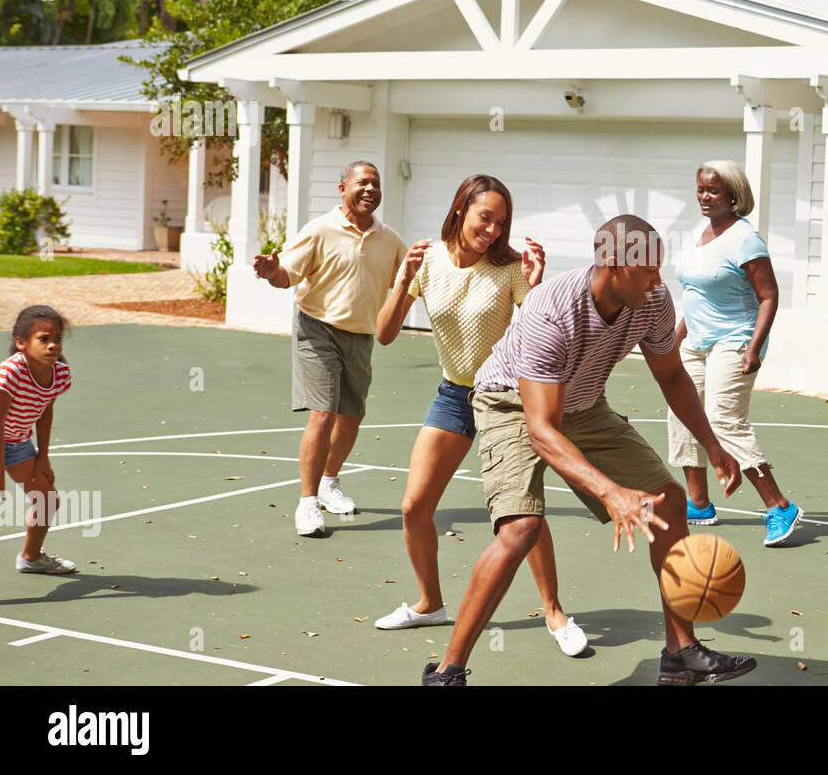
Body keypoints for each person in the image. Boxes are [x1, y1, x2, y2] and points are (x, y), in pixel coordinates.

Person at [423, 215, 756, 686]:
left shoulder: (651, 299)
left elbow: (673, 375)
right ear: (613, 263)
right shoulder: (551, 309)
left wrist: (713, 445)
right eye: (648, 269)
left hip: (581, 401)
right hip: (511, 403)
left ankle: (681, 653)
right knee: (521, 529)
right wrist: (610, 492)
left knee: (669, 500)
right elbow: (540, 429)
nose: (659, 280)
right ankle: (446, 671)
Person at [372, 174, 586, 656]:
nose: (492, 229)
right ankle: (430, 603)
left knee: (521, 513)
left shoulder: (510, 268)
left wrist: (534, 285)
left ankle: (554, 611)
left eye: (501, 221)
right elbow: (384, 334)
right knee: (414, 508)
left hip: (506, 398)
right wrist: (403, 279)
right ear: (460, 210)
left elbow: (540, 338)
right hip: (454, 396)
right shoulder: (427, 261)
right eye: (484, 217)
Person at [253, 161, 406, 537]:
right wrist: (273, 271)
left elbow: (413, 278)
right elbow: (286, 275)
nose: (370, 189)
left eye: (376, 183)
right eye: (362, 182)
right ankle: (307, 504)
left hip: (360, 335)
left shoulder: (390, 240)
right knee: (323, 414)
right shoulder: (321, 229)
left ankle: (328, 483)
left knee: (350, 418)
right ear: (342, 188)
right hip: (316, 329)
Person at [667, 160, 802, 546]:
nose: (704, 197)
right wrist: (674, 342)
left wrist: (754, 347)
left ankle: (779, 506)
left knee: (723, 419)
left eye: (713, 190)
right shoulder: (701, 232)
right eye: (700, 190)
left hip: (736, 339)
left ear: (733, 195)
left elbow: (769, 296)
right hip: (696, 340)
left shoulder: (746, 239)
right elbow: (695, 297)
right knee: (682, 411)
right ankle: (699, 503)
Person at [0, 305, 75, 574]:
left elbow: (45, 410)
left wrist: (43, 456)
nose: (53, 346)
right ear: (22, 342)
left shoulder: (59, 373)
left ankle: (30, 558)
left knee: (46, 499)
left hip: (17, 442)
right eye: (44, 339)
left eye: (57, 339)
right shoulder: (9, 374)